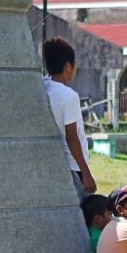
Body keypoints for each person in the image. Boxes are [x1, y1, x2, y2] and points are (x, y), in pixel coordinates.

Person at [43, 37, 96, 199]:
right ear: (67, 65)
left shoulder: (43, 85)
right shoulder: (69, 96)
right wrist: (86, 173)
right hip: (74, 164)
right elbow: (72, 136)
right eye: (74, 64)